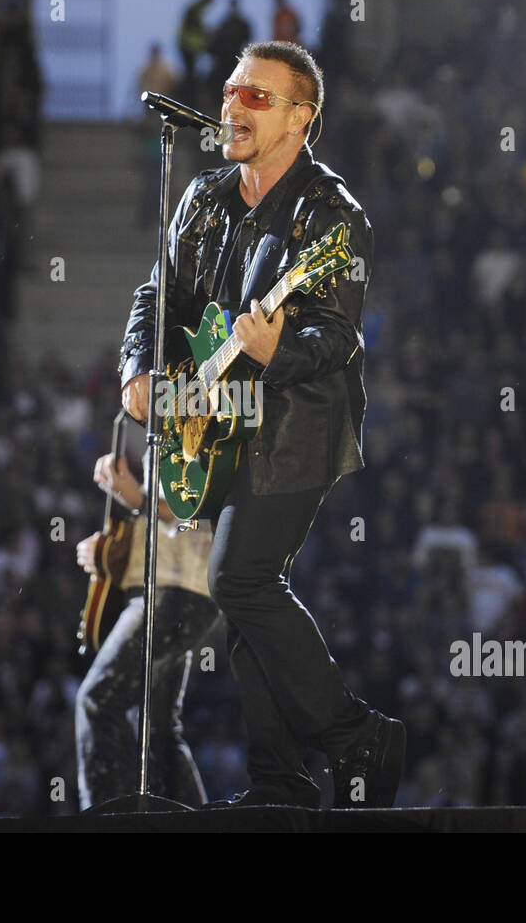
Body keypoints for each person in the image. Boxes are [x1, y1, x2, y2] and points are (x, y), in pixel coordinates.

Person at [117, 41, 405, 808]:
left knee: (236, 577)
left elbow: (338, 338)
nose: (233, 108)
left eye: (257, 98)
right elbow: (162, 295)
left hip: (297, 423)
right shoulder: (203, 198)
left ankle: (356, 735)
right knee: (250, 598)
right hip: (218, 422)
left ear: (300, 120)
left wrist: (281, 350)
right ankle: (279, 781)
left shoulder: (332, 216)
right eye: (231, 92)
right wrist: (139, 366)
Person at [74, 451, 222, 809]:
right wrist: (111, 551)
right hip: (171, 588)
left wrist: (136, 498)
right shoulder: (164, 420)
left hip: (173, 590)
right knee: (156, 728)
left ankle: (109, 823)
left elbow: (187, 510)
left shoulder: (188, 409)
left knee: (99, 701)